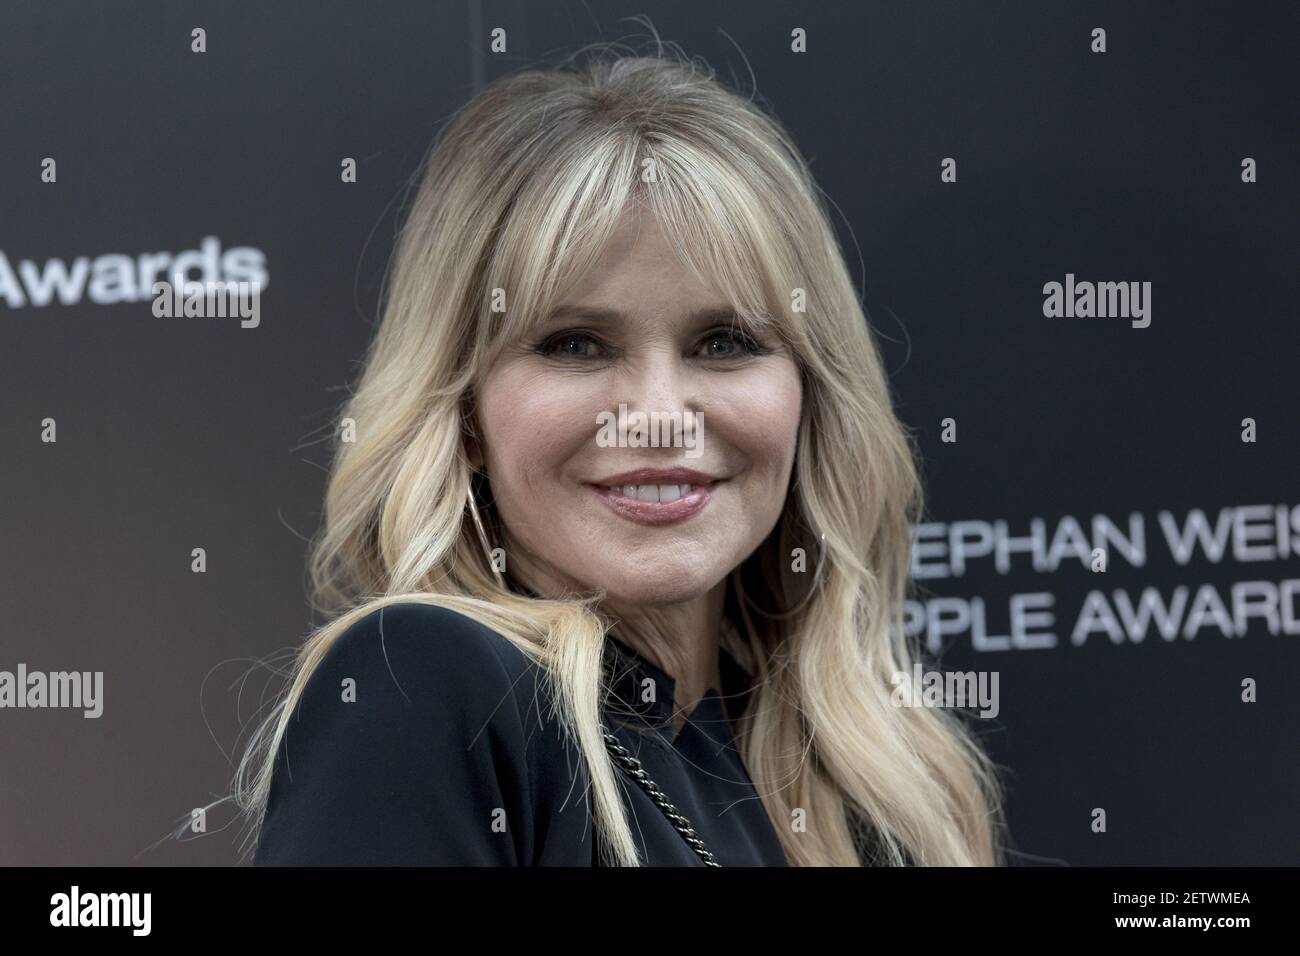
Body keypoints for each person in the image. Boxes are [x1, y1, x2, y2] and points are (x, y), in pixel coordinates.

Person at [239, 41, 1006, 867]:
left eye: (724, 340)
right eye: (575, 344)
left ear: (809, 393)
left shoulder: (866, 783)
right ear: (463, 412)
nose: (657, 419)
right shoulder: (422, 686)